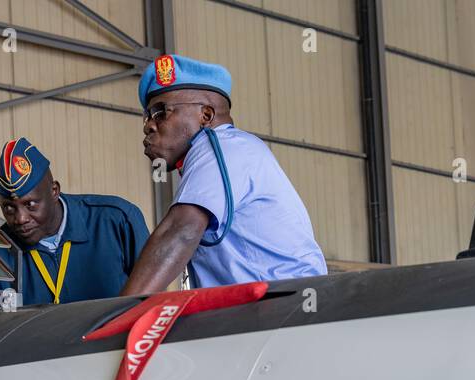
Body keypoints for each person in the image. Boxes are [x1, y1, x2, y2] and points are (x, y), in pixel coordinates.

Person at [122, 54, 326, 295]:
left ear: (206, 116)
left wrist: (116, 316)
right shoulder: (222, 156)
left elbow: (180, 232)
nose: (149, 125)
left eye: (160, 112)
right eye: (147, 117)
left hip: (286, 310)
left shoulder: (224, 146)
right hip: (271, 310)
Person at [0, 137, 149, 306]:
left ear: (54, 191)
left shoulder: (117, 221)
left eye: (30, 204)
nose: (20, 219)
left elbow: (153, 301)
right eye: (9, 208)